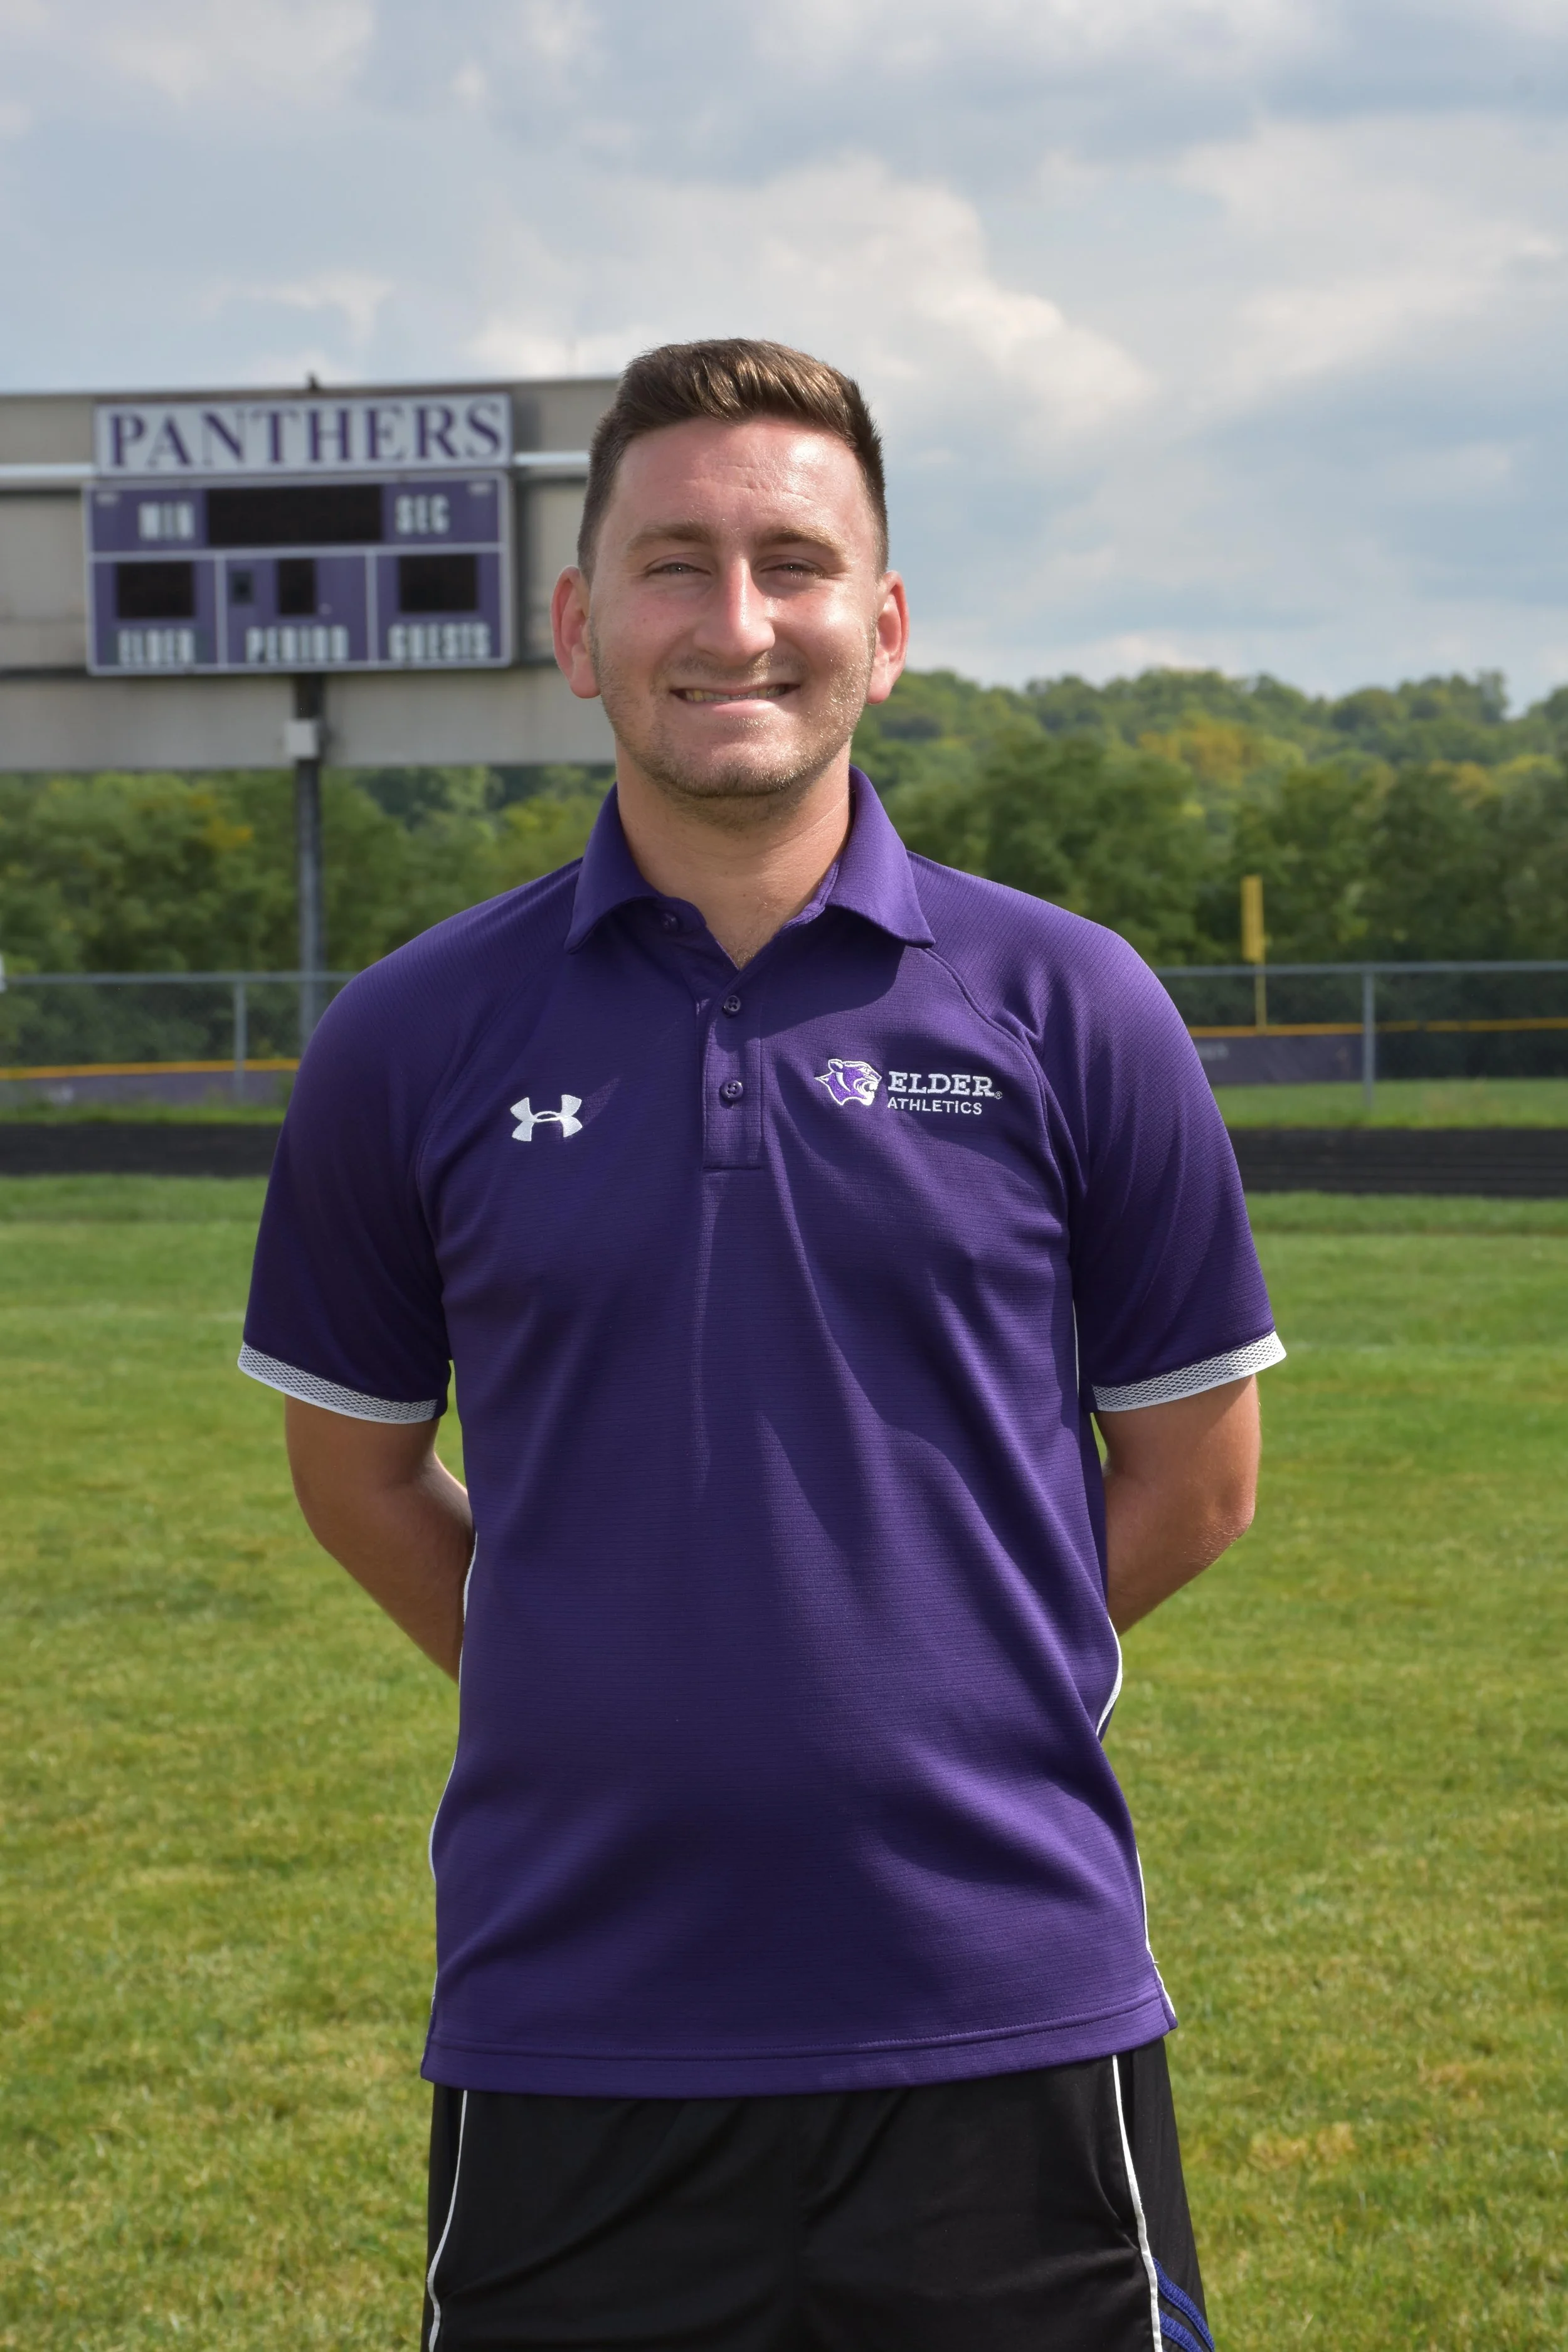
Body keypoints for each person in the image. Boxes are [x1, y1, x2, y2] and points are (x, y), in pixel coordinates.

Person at [240, 337, 1283, 2351]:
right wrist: (606, 1659)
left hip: (999, 2007)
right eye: (671, 563)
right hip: (572, 2019)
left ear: (880, 629)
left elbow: (1195, 1475)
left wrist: (929, 1673)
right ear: (574, 624)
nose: (737, 622)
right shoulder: (411, 1035)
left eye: (794, 565)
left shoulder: (1072, 1004)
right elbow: (357, 1472)